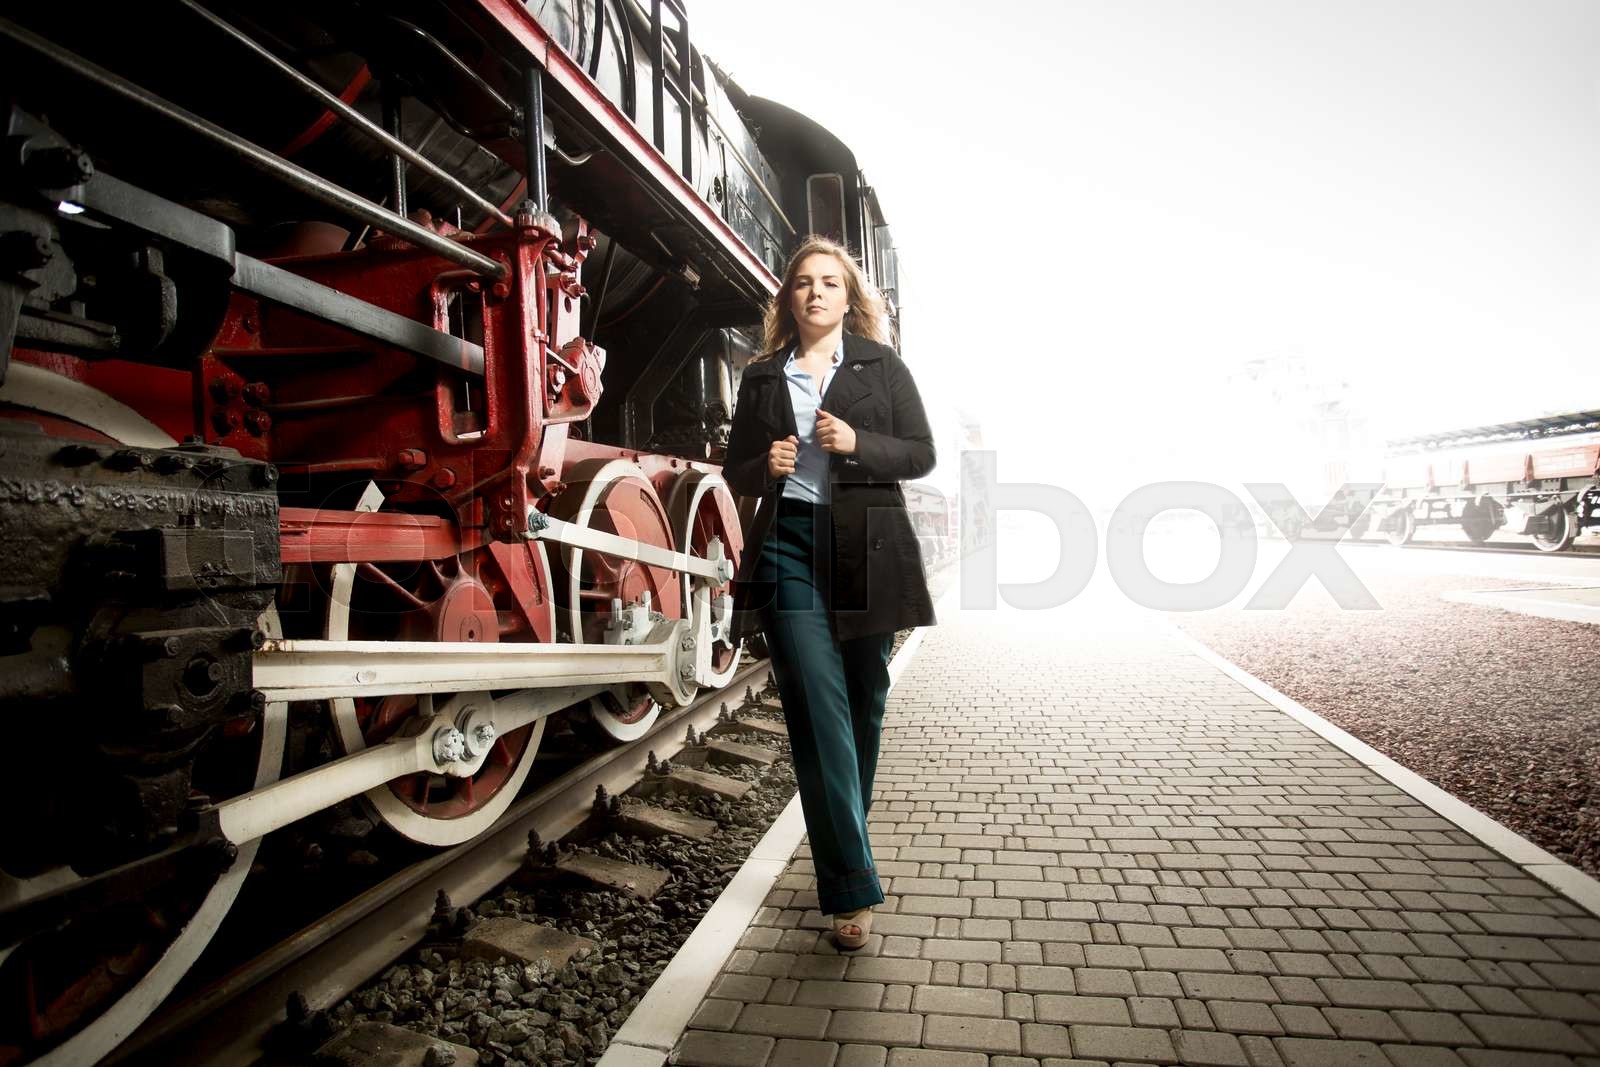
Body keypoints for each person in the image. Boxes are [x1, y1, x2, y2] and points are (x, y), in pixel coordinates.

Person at [720, 235, 937, 949]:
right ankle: (850, 885)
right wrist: (766, 461)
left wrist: (855, 443)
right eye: (803, 282)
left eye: (829, 282)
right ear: (788, 297)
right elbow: (735, 472)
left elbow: (919, 452)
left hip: (868, 547)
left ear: (849, 297)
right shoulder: (760, 377)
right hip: (788, 546)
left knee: (865, 698)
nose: (815, 292)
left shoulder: (881, 367)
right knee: (818, 705)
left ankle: (851, 838)